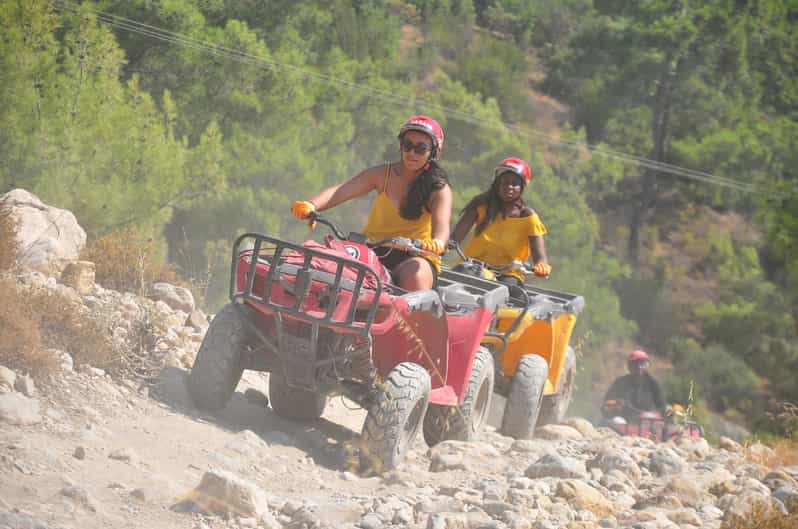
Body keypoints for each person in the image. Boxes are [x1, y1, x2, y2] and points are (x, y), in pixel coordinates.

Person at [291, 115, 452, 291]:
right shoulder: (383, 174)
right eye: (408, 145)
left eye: (421, 148)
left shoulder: (439, 190)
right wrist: (311, 205)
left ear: (434, 152)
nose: (412, 153)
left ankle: (412, 318)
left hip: (414, 256)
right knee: (324, 267)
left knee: (415, 275)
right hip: (372, 249)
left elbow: (442, 229)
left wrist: (437, 243)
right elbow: (341, 191)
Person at [451, 157, 551, 292]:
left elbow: (540, 256)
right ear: (497, 184)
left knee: (511, 294)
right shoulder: (480, 206)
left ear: (522, 187)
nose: (509, 187)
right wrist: (442, 244)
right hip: (471, 267)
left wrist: (541, 265)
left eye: (515, 183)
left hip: (508, 274)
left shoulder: (528, 216)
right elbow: (455, 237)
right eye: (504, 182)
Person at [602, 350, 667, 419]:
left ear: (647, 365)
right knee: (616, 420)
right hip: (624, 420)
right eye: (635, 364)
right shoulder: (620, 382)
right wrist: (617, 403)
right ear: (630, 366)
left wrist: (665, 411)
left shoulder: (653, 384)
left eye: (642, 363)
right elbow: (608, 401)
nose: (639, 367)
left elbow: (662, 405)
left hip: (649, 421)